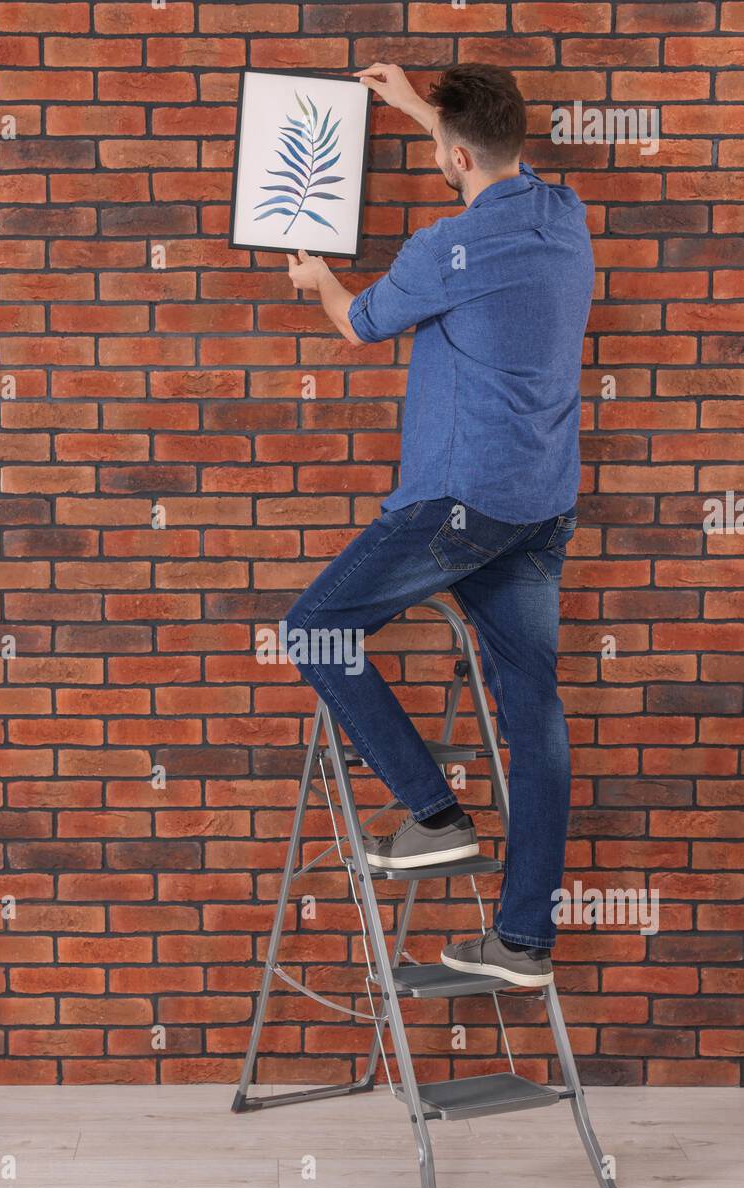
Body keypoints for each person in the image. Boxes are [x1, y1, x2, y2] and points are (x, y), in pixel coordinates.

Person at [283, 64, 594, 987]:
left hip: (456, 503)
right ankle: (525, 942)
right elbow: (490, 155)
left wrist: (321, 277)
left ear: (454, 158)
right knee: (532, 718)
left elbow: (357, 326)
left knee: (315, 629)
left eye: (434, 147)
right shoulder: (563, 216)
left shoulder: (437, 249)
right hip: (537, 508)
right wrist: (423, 109)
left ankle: (433, 814)